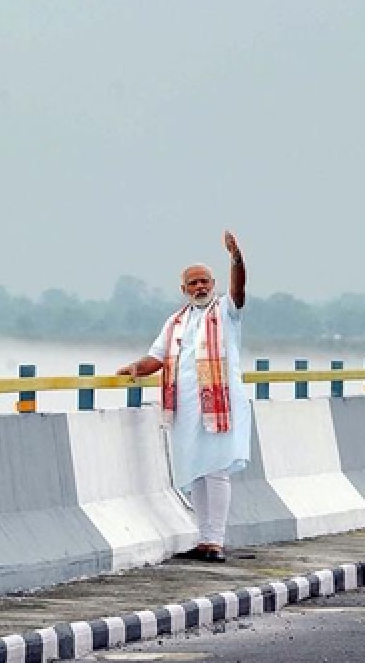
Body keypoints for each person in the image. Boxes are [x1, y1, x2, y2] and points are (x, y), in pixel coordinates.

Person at [116, 230, 251, 562]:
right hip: (186, 408)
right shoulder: (174, 322)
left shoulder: (225, 311)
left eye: (205, 281)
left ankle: (215, 541)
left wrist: (237, 258)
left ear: (213, 283)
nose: (200, 287)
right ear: (184, 289)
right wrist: (135, 367)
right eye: (193, 283)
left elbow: (239, 289)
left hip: (220, 404)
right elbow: (156, 358)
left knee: (216, 468)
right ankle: (203, 539)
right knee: (196, 470)